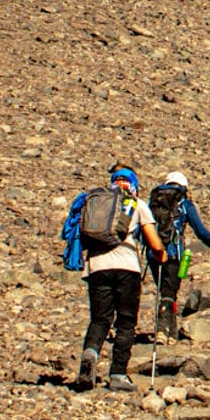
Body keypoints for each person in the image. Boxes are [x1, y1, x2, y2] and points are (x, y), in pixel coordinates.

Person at [63, 165, 166, 391]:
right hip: (127, 267)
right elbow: (154, 243)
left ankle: (90, 353)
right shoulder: (136, 204)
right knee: (126, 322)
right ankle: (118, 374)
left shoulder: (95, 203)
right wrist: (162, 255)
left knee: (100, 319)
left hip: (97, 266)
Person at [147, 170, 210, 340]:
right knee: (169, 291)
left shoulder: (154, 202)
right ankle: (162, 330)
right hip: (173, 253)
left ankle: (171, 330)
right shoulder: (184, 204)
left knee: (165, 290)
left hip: (153, 253)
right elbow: (201, 232)